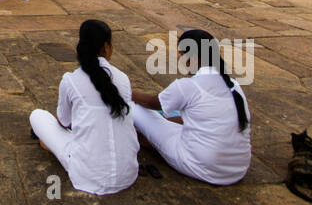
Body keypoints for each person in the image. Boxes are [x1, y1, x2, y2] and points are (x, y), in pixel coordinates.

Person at [29, 18, 139, 195]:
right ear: (107, 46)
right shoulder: (123, 79)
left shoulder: (71, 80)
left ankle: (52, 145)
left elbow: (64, 123)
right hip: (128, 174)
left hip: (89, 175)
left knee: (37, 116)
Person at [130, 29, 251, 185]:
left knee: (136, 108)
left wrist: (125, 91)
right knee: (169, 121)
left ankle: (136, 137)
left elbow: (153, 103)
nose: (184, 63)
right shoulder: (234, 86)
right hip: (237, 170)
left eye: (183, 56)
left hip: (201, 167)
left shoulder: (188, 86)